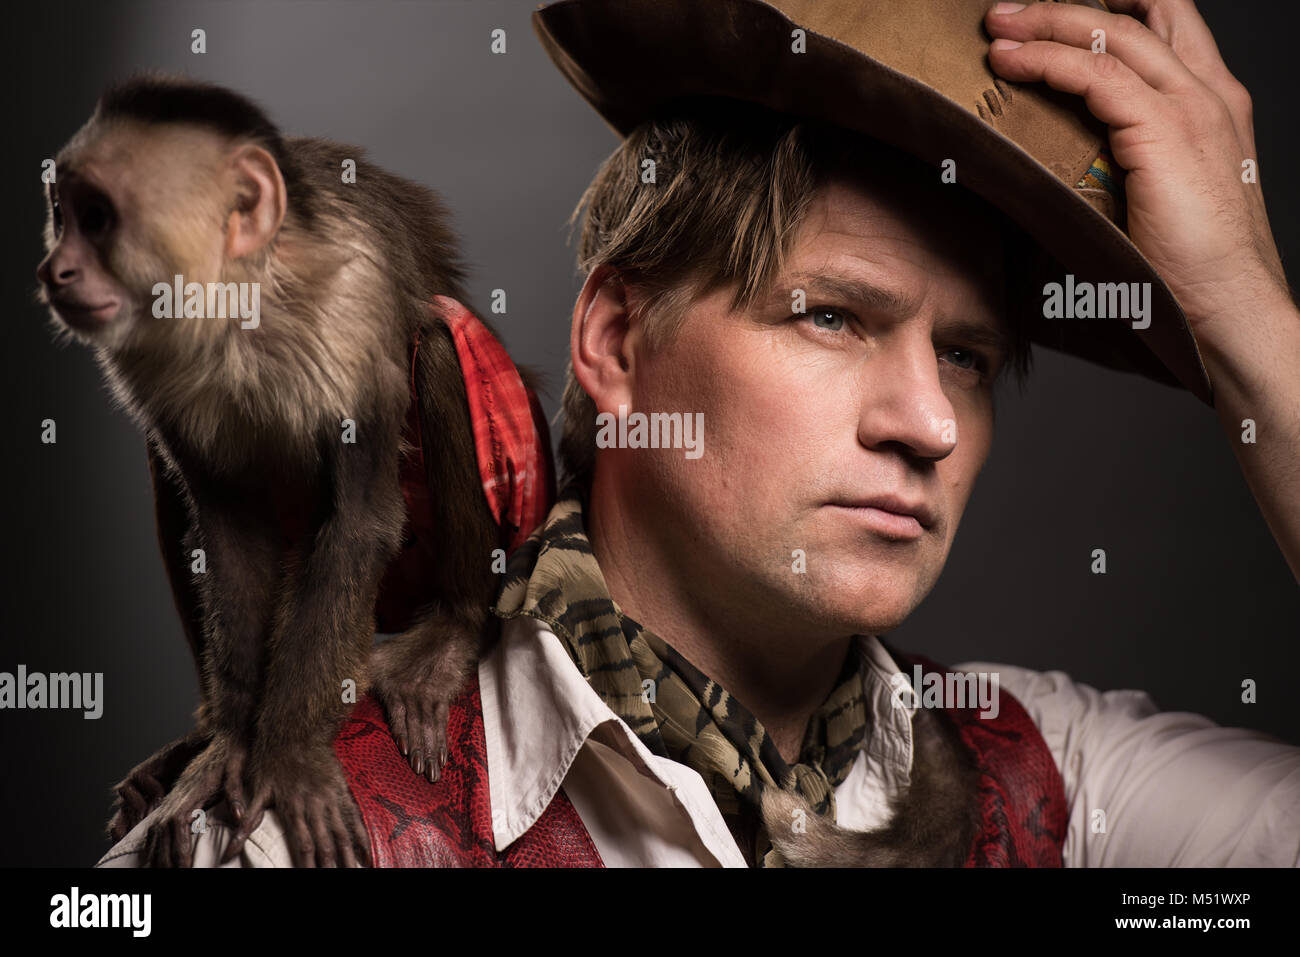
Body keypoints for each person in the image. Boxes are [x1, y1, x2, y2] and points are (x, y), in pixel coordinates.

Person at [99, 0, 1300, 867]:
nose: (929, 423)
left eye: (968, 359)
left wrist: (1248, 314)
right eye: (831, 317)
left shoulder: (1056, 786)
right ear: (617, 347)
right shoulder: (280, 846)